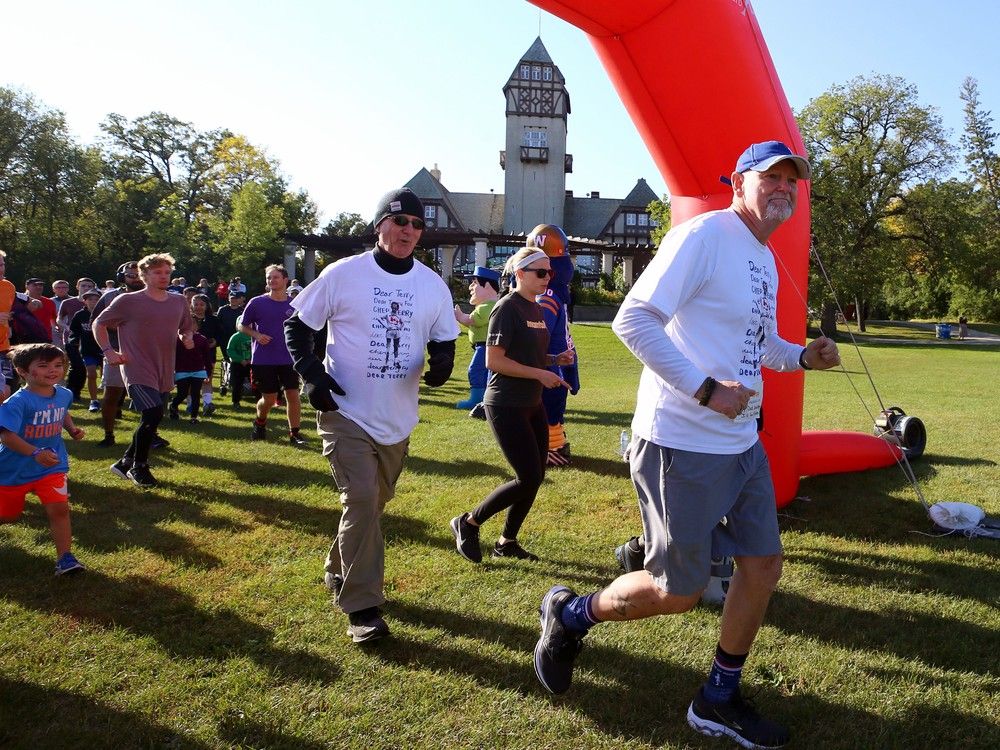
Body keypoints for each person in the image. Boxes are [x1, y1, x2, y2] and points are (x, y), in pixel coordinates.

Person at [531, 141, 841, 750]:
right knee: (678, 591)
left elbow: (758, 349)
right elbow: (633, 319)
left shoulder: (759, 254)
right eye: (769, 177)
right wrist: (704, 390)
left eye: (791, 181)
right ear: (738, 184)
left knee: (763, 564)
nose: (783, 188)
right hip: (681, 442)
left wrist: (802, 354)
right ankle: (569, 614)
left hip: (740, 442)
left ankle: (717, 698)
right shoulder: (704, 236)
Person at [284, 187, 458, 643]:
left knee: (369, 505)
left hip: (397, 419)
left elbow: (444, 338)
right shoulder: (343, 274)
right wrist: (311, 375)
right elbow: (297, 325)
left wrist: (443, 362)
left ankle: (337, 564)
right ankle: (363, 608)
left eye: (417, 225)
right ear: (380, 224)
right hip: (345, 411)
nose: (408, 231)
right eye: (400, 221)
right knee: (361, 498)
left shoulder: (431, 285)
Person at [450, 247, 573, 563]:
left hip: (532, 402)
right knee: (527, 477)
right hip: (506, 404)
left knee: (536, 475)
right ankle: (468, 522)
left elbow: (525, 354)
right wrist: (541, 373)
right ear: (520, 274)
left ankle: (506, 542)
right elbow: (495, 360)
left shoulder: (535, 309)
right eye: (541, 272)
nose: (548, 278)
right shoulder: (506, 308)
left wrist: (553, 360)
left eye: (550, 273)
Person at [93, 253, 194, 488]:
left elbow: (186, 327)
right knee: (152, 413)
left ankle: (124, 462)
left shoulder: (178, 301)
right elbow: (99, 323)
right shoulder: (128, 301)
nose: (164, 277)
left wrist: (186, 337)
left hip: (165, 366)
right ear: (144, 275)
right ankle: (139, 467)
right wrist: (108, 350)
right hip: (136, 365)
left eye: (167, 273)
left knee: (153, 418)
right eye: (158, 272)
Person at [0, 343, 86, 575]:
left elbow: (63, 410)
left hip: (51, 466)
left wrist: (71, 429)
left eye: (58, 365)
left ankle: (65, 559)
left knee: (60, 510)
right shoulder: (17, 402)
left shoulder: (64, 393)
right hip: (12, 469)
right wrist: (35, 453)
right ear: (23, 371)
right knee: (8, 516)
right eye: (43, 365)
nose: (53, 370)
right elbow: (6, 436)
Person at [239, 265, 305, 445]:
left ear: (285, 280)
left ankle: (295, 433)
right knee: (269, 398)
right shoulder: (257, 302)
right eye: (269, 278)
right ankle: (260, 421)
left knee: (293, 395)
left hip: (288, 358)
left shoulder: (294, 305)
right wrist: (257, 335)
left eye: (275, 277)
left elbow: (302, 329)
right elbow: (242, 325)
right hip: (263, 359)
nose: (271, 281)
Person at [91, 262, 146, 447]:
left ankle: (150, 434)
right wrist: (109, 347)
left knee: (153, 397)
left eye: (138, 274)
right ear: (122, 277)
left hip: (148, 353)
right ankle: (109, 434)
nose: (136, 278)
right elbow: (96, 323)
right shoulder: (109, 297)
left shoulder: (154, 296)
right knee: (112, 394)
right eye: (131, 275)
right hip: (118, 351)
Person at [453, 266, 500, 411]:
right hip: (485, 346)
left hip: (485, 346)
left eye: (474, 283)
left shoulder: (487, 306)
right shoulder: (488, 305)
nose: (470, 287)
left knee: (476, 370)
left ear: (486, 285)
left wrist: (460, 316)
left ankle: (477, 399)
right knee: (484, 372)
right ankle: (485, 397)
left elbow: (475, 321)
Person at [68, 289, 104, 412]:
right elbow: (74, 331)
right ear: (84, 301)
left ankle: (110, 400)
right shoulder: (80, 315)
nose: (93, 302)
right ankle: (94, 400)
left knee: (106, 378)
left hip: (104, 348)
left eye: (96, 299)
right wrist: (73, 340)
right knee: (92, 374)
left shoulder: (105, 313)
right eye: (90, 299)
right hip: (88, 349)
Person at [190, 294, 223, 416]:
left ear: (207, 306)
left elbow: (220, 335)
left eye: (201, 304)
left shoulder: (213, 320)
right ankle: (190, 405)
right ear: (192, 305)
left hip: (208, 354)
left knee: (207, 379)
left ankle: (207, 404)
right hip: (190, 355)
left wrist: (215, 342)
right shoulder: (187, 318)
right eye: (196, 304)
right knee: (190, 381)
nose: (199, 307)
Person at [169, 329, 211, 423]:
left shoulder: (202, 339)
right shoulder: (176, 339)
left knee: (195, 394)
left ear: (197, 326)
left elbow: (207, 357)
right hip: (182, 371)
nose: (190, 326)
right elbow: (172, 355)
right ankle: (173, 405)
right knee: (182, 394)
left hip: (198, 371)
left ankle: (193, 417)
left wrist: (208, 372)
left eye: (193, 323)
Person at [24, 278, 57, 343]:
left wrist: (58, 328)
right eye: (35, 285)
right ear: (27, 286)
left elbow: (54, 319)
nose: (38, 287)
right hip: (23, 336)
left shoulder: (50, 302)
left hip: (45, 337)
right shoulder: (19, 301)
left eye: (41, 285)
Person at [225, 329, 252, 409]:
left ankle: (260, 400)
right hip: (237, 364)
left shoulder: (255, 335)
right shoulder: (236, 337)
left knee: (256, 382)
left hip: (252, 363)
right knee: (237, 384)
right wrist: (240, 359)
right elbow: (230, 350)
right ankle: (236, 402)